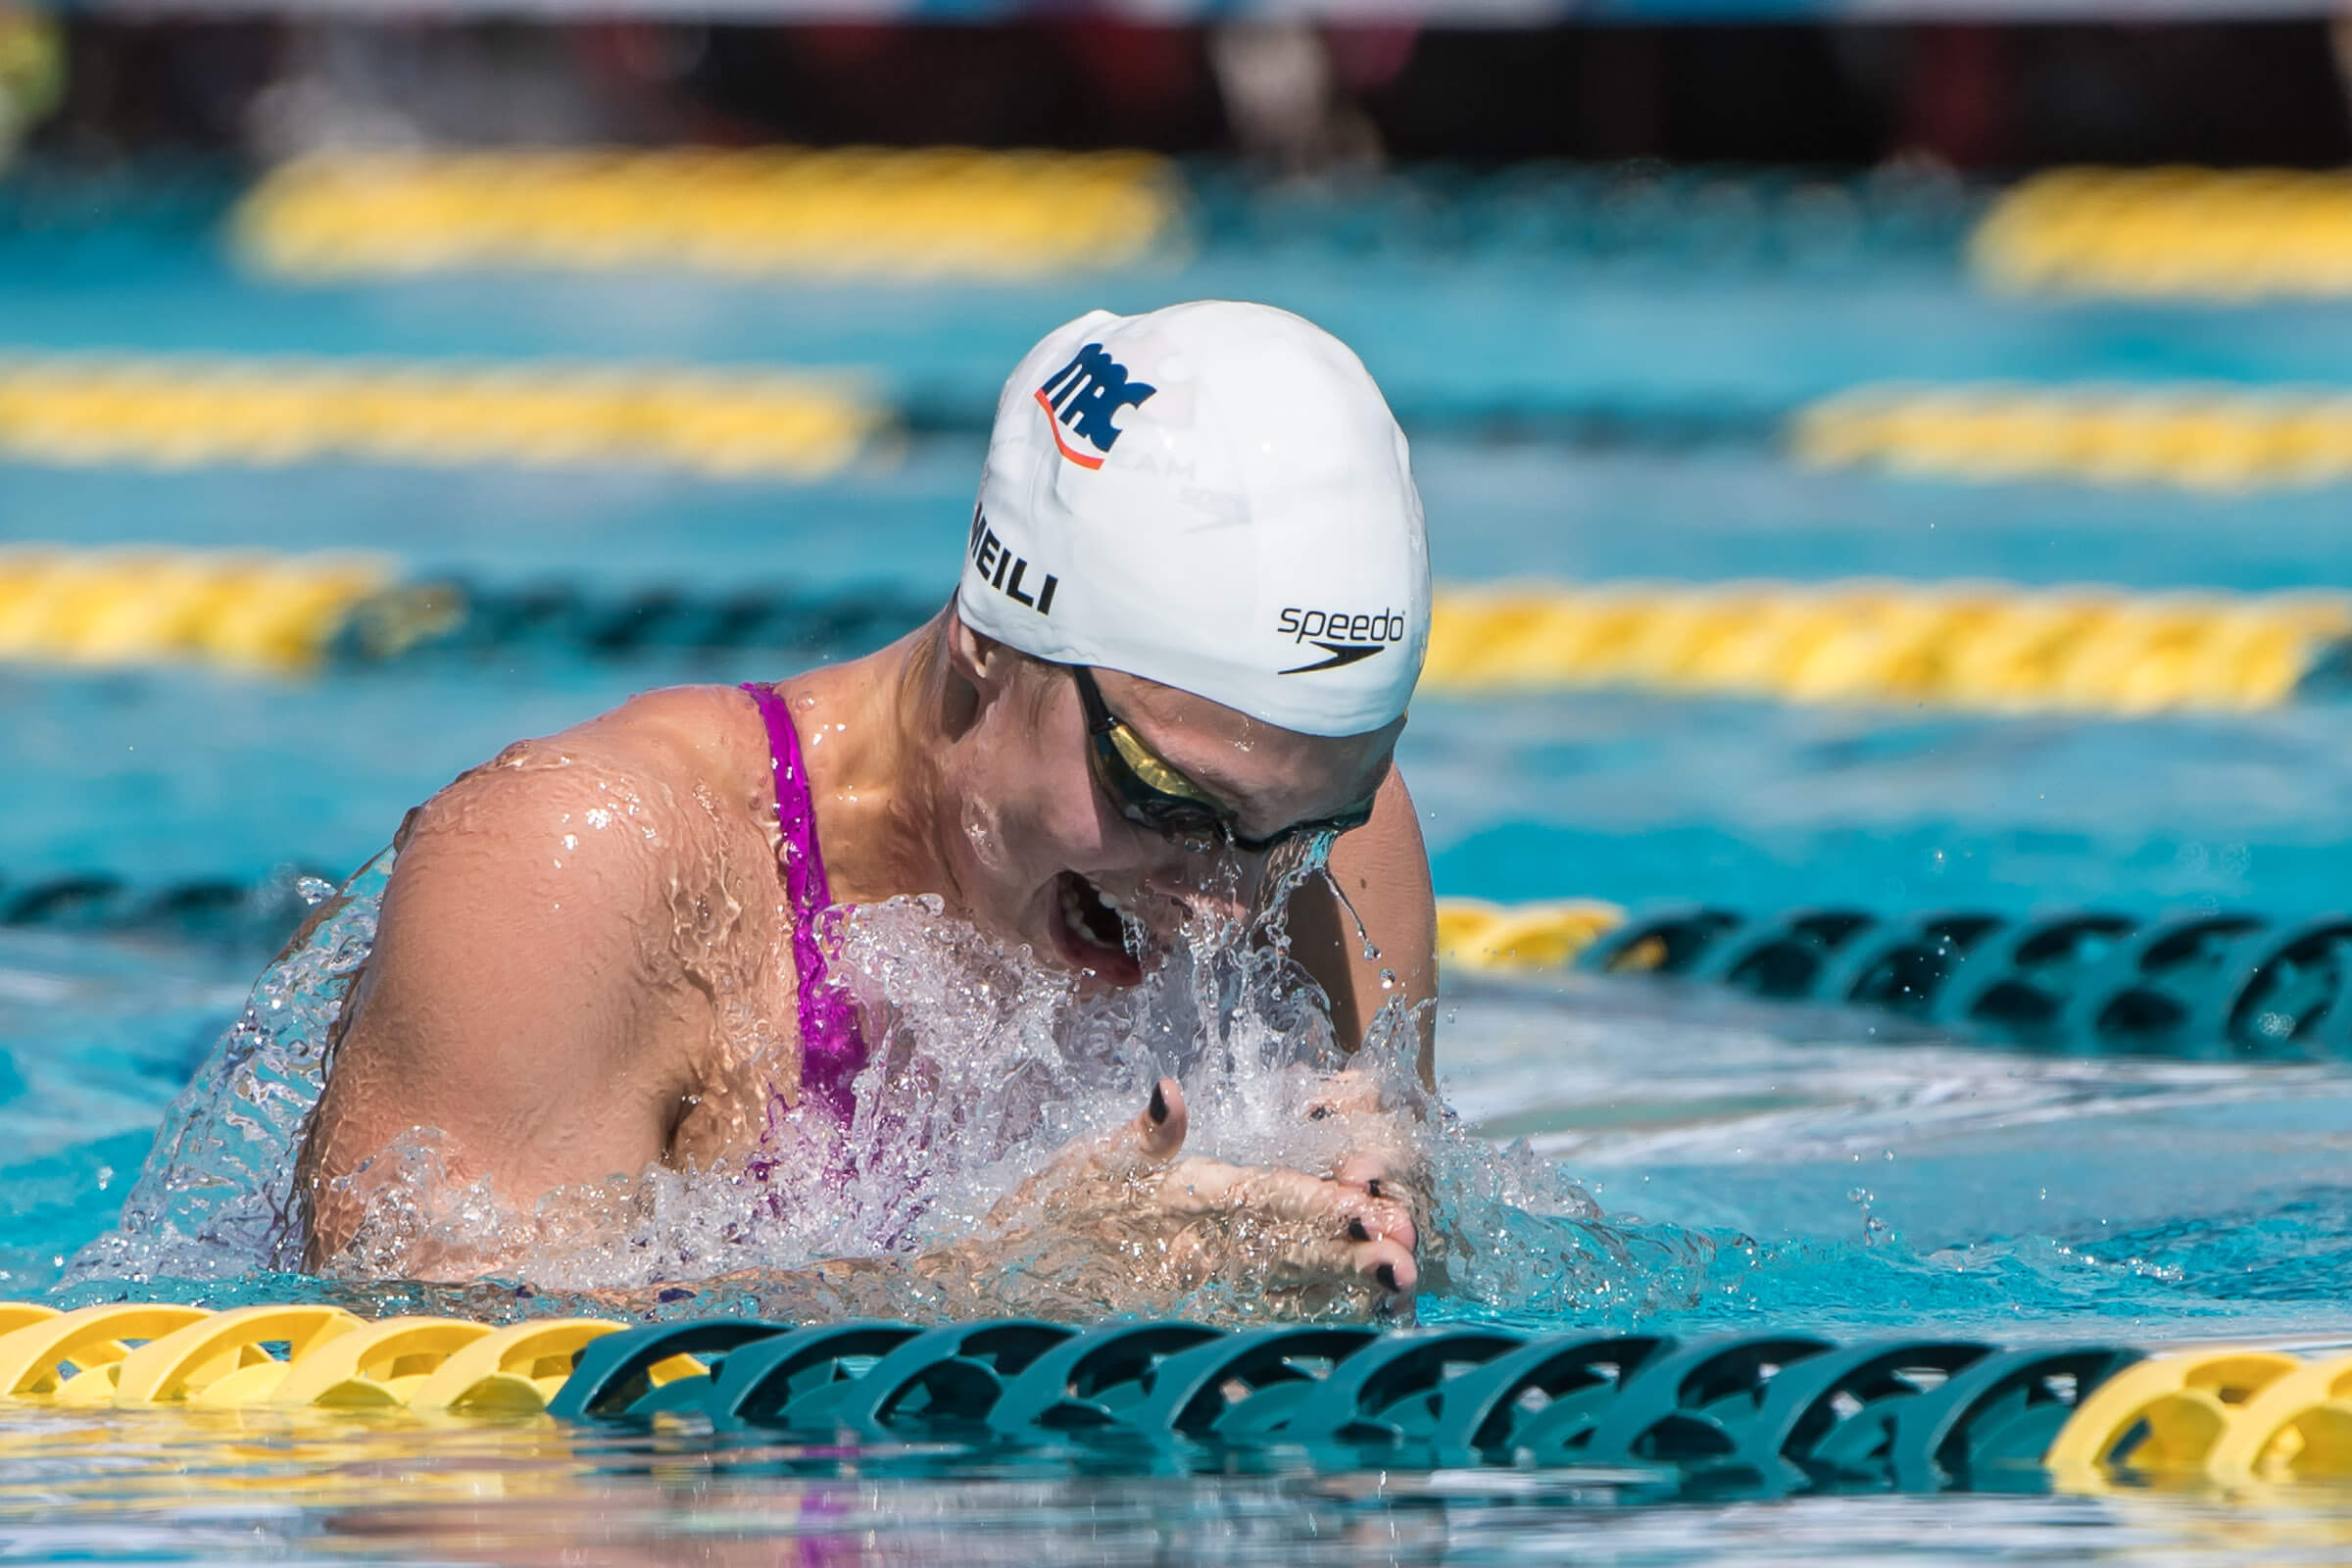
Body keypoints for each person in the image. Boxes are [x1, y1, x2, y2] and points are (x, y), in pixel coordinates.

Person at [293, 300, 1439, 1318]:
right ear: (992, 633)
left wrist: (1394, 1233)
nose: (1237, 903)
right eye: (1164, 794)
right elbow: (427, 1432)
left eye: (1303, 827)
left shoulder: (1338, 852)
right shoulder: (580, 874)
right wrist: (1004, 1288)